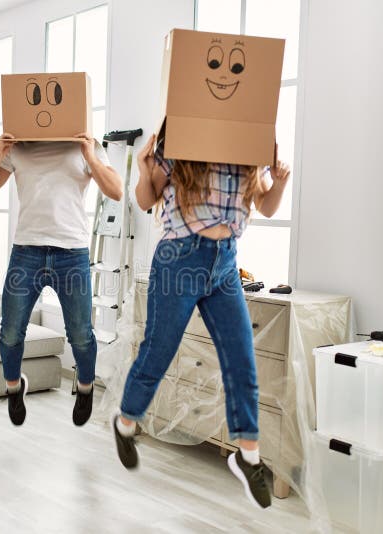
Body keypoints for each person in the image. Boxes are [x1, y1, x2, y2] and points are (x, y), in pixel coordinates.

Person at [112, 133, 291, 510]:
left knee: (241, 360)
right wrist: (145, 171)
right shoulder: (179, 138)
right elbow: (145, 201)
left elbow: (266, 205)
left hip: (225, 262)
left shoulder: (246, 142)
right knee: (159, 350)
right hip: (180, 258)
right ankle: (126, 421)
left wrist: (280, 181)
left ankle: (249, 457)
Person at [0, 132, 123, 427]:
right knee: (10, 332)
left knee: (81, 334)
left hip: (72, 253)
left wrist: (90, 155)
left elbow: (116, 191)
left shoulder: (86, 143)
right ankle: (14, 387)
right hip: (26, 251)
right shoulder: (19, 145)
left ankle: (85, 387)